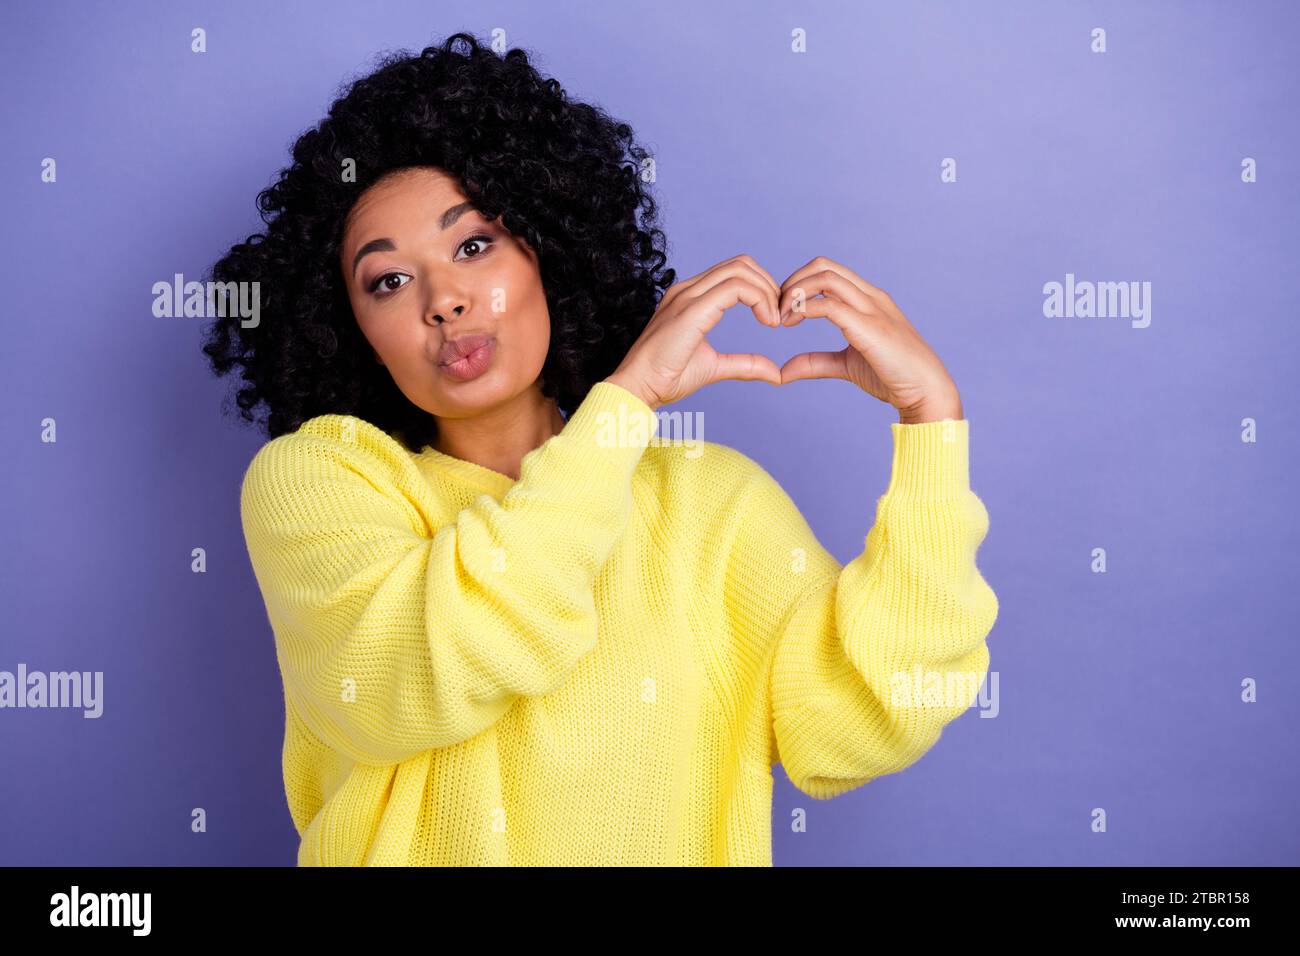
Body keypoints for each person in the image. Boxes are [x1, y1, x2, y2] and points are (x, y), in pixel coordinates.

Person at [202, 32, 998, 866]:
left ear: (549, 250)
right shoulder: (322, 483)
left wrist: (931, 426)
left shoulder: (710, 503)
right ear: (352, 331)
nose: (443, 300)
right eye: (388, 281)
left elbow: (870, 716)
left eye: (474, 245)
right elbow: (428, 673)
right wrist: (625, 405)